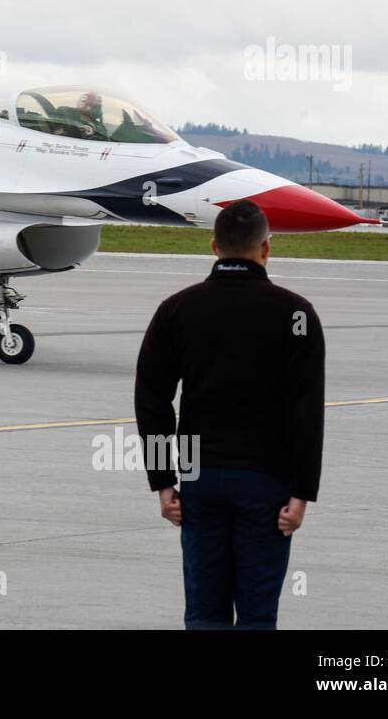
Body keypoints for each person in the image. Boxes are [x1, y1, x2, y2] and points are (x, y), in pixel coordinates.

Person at [134, 199, 325, 629]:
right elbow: (306, 409)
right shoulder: (296, 314)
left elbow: (152, 399)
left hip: (199, 477)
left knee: (204, 610)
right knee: (257, 615)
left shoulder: (177, 309)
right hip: (267, 480)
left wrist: (163, 482)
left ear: (214, 246)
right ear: (266, 248)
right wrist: (301, 492)